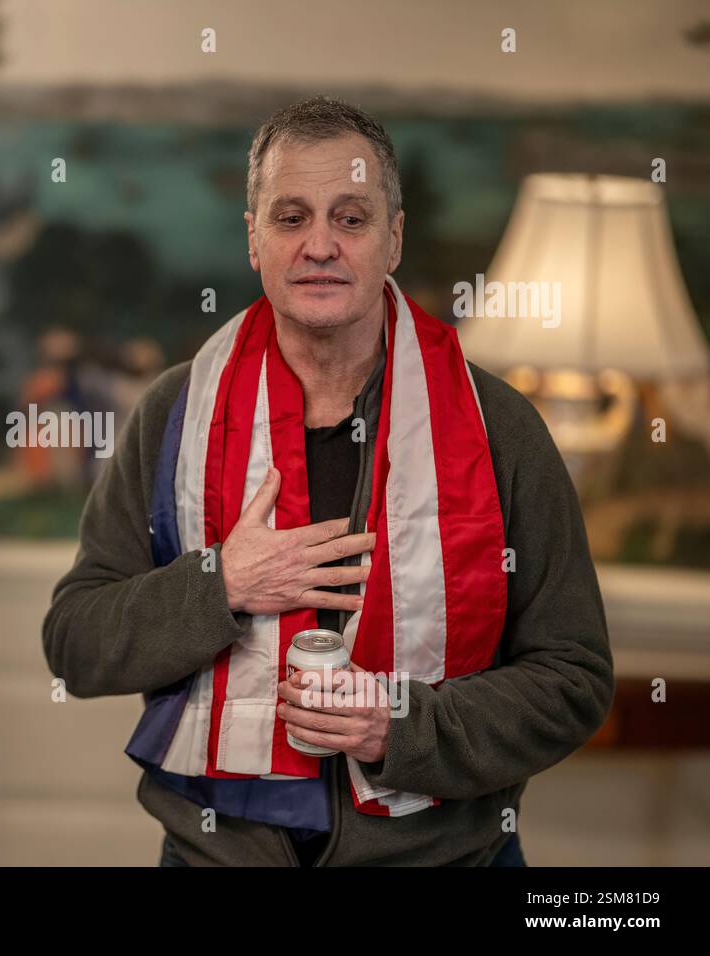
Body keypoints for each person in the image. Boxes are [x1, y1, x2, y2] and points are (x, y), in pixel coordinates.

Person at [42, 96, 614, 866]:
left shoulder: (499, 427)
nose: (319, 245)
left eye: (350, 218)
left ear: (394, 237)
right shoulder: (175, 412)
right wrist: (220, 583)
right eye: (290, 217)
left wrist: (402, 726)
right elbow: (76, 643)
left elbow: (573, 679)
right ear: (253, 239)